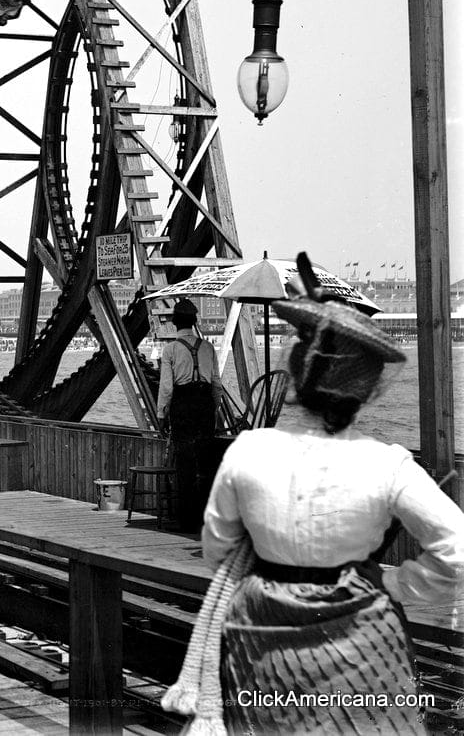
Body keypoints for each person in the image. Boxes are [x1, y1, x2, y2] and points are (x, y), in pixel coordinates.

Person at [166, 264, 464, 734]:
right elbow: (457, 551)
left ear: (296, 374)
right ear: (367, 389)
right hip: (361, 640)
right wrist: (395, 585)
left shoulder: (248, 452)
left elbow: (217, 549)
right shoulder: (389, 464)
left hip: (261, 635)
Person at [156, 297, 222, 531]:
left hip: (182, 405)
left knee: (184, 462)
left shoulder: (171, 350)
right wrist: (214, 409)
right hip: (204, 404)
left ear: (175, 322)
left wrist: (162, 414)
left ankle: (187, 520)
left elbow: (166, 387)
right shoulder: (208, 347)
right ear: (194, 322)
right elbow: (216, 384)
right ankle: (206, 518)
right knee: (205, 463)